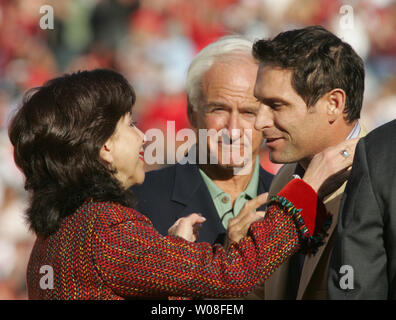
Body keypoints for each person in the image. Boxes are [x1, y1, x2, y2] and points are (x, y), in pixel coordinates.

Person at [9, 69, 355, 299]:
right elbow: (233, 274)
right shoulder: (104, 228)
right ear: (105, 147)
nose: (144, 137)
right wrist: (306, 189)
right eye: (130, 125)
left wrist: (170, 259)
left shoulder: (58, 234)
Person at [250, 25, 366, 300]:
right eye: (259, 104)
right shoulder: (286, 178)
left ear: (333, 104)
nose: (259, 122)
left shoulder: (385, 181)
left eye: (277, 106)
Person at [133, 36, 274, 246]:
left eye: (248, 112)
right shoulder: (138, 201)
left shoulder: (290, 201)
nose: (233, 130)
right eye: (219, 109)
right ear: (192, 112)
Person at [328, 119, 396, 299]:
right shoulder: (378, 148)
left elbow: (354, 286)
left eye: (277, 106)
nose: (261, 123)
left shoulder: (378, 149)